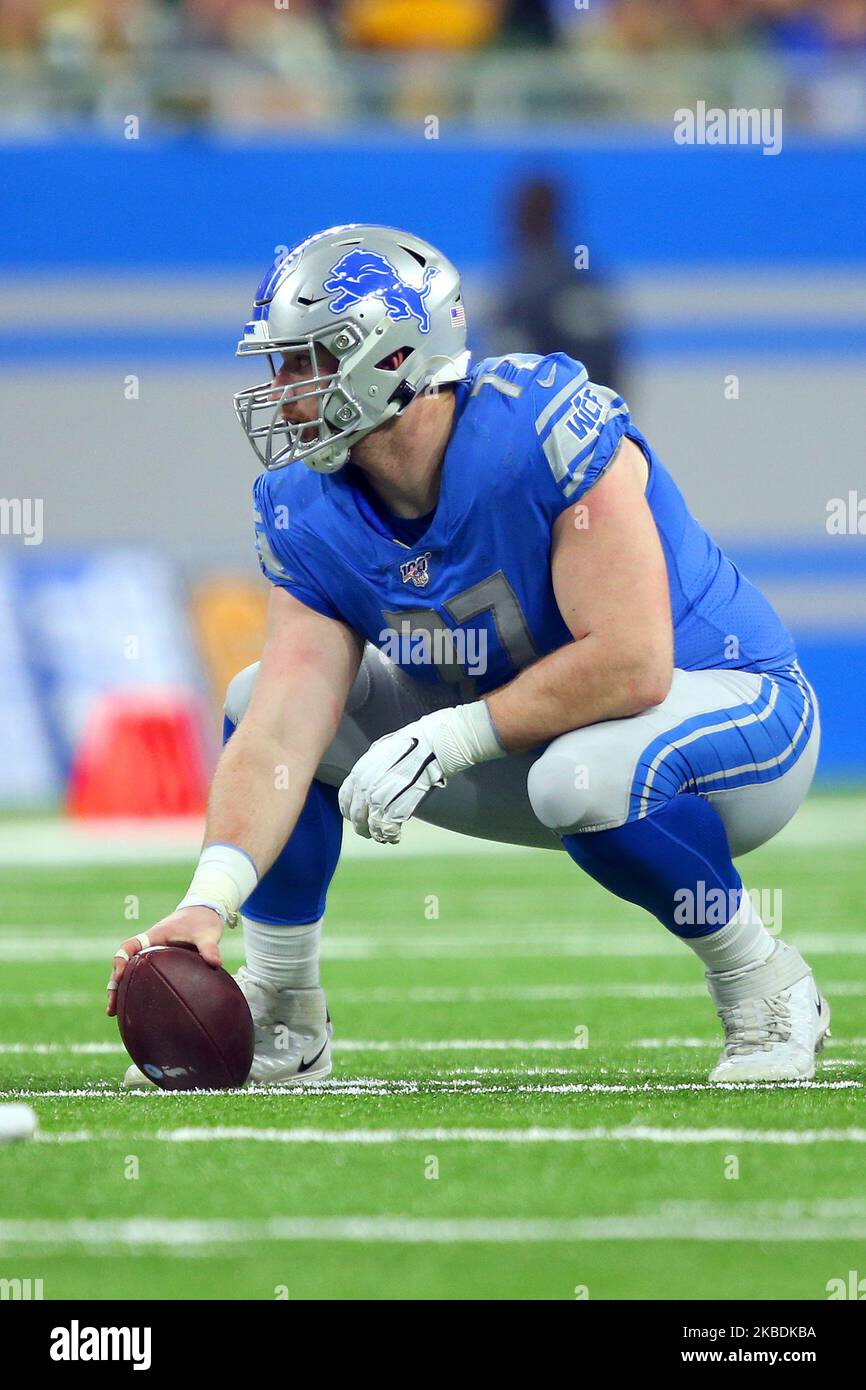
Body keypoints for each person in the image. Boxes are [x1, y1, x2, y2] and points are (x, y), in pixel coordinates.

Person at [109, 223, 826, 1088]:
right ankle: (284, 1010)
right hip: (534, 744)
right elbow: (280, 727)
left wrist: (450, 737)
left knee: (581, 778)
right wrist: (206, 901)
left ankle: (762, 979)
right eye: (279, 364)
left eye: (308, 362)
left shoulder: (541, 430)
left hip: (734, 719)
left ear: (393, 355)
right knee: (256, 692)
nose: (284, 391)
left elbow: (634, 664)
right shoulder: (307, 504)